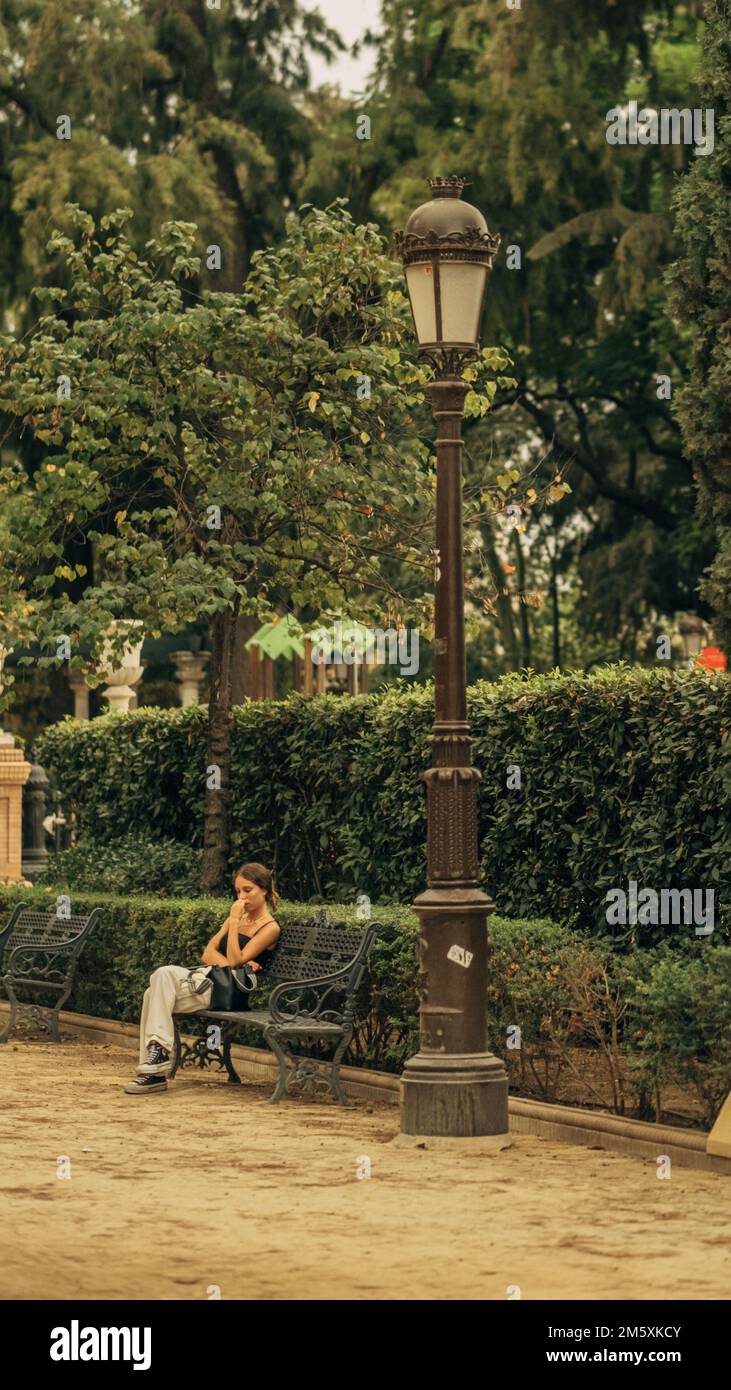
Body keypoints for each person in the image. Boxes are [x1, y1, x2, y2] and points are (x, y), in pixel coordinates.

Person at [123, 862, 281, 1095]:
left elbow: (236, 958)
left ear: (264, 890)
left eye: (248, 890)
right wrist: (231, 962)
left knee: (158, 983)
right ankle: (155, 1061)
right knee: (160, 980)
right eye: (238, 891)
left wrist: (234, 926)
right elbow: (208, 953)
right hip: (206, 982)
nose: (241, 897)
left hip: (228, 992)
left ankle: (154, 1070)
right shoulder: (236, 919)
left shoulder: (269, 928)